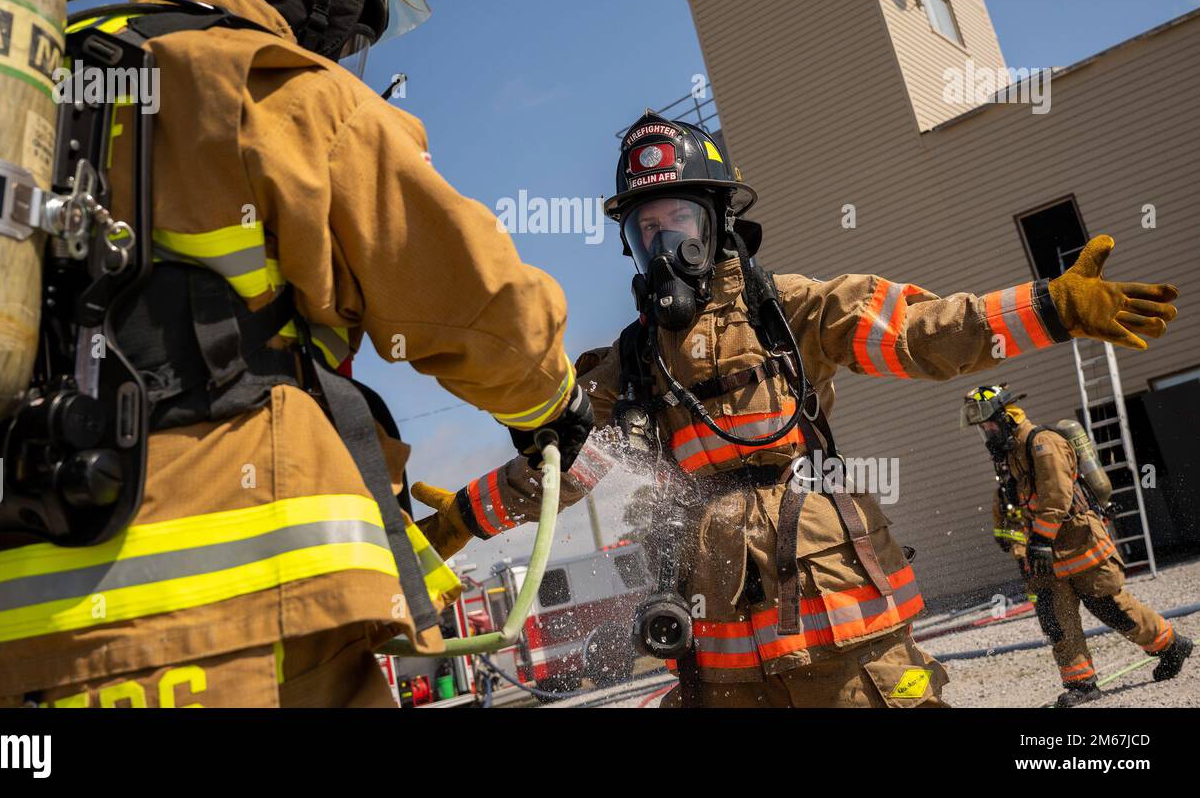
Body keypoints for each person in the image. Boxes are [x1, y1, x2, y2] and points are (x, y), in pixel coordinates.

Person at [0, 0, 592, 708]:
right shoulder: (277, 85)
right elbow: (474, 297)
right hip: (222, 621)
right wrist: (551, 404)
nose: (342, 51)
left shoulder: (20, 93)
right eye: (347, 23)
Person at [412, 111, 1180, 708]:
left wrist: (1049, 306)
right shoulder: (633, 364)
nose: (660, 244)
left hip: (839, 616)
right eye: (644, 231)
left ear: (713, 223)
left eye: (675, 222)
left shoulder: (793, 311)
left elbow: (918, 335)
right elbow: (562, 469)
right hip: (717, 641)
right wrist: (453, 528)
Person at [964, 385, 1192, 707]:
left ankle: (1171, 646)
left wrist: (1041, 538)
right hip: (1045, 553)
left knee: (1110, 607)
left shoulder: (1043, 444)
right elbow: (1009, 499)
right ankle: (1082, 684)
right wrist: (1013, 536)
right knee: (1055, 617)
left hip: (1078, 541)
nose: (986, 433)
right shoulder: (1010, 455)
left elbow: (1058, 495)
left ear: (1007, 418)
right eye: (982, 428)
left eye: (988, 425)